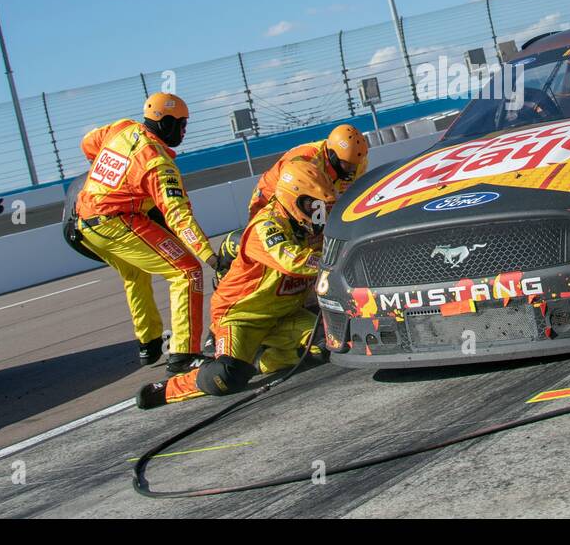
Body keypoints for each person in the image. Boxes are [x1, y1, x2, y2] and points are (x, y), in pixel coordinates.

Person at [136, 160, 336, 409]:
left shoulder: (310, 226)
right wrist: (336, 262)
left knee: (332, 343)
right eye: (314, 206)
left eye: (323, 207)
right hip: (240, 316)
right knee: (227, 377)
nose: (320, 214)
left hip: (284, 315)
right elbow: (292, 260)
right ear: (292, 197)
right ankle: (167, 389)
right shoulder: (266, 226)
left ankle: (260, 358)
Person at [74, 93, 225, 373]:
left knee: (135, 274)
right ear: (166, 123)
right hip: (115, 220)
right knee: (186, 272)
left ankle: (149, 342)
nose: (184, 131)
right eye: (181, 124)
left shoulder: (121, 128)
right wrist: (211, 258)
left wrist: (107, 173)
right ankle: (184, 353)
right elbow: (179, 217)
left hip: (84, 221)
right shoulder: (157, 162)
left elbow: (88, 144)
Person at [245, 124, 368, 220]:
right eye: (347, 165)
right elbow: (292, 193)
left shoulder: (358, 162)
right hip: (272, 192)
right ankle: (233, 244)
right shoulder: (307, 160)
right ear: (333, 155)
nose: (352, 170)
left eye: (354, 165)